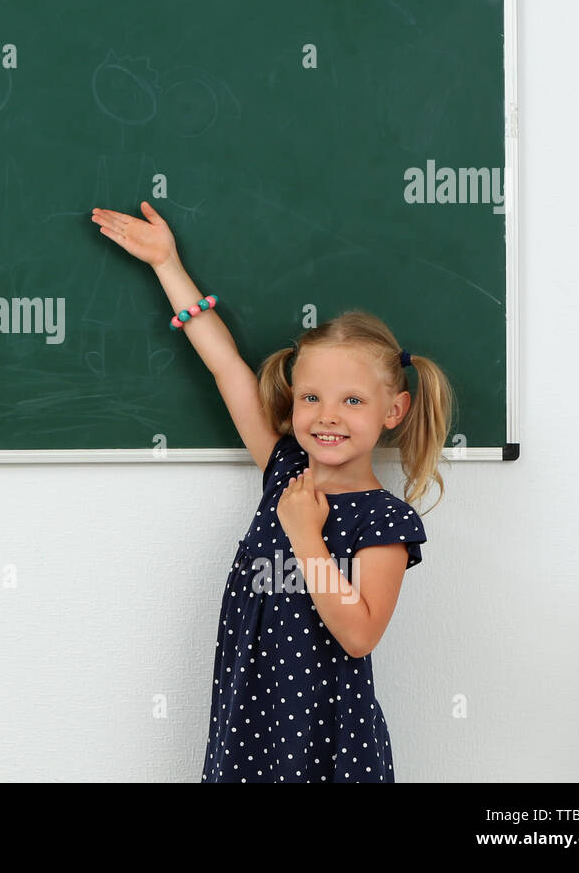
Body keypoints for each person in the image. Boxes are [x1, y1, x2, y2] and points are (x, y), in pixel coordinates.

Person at [90, 201, 457, 782]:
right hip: (248, 734)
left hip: (328, 748)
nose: (327, 415)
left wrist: (307, 537)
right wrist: (166, 264)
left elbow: (359, 635)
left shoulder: (384, 521)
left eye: (352, 400)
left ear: (394, 410)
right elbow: (225, 367)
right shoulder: (284, 468)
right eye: (311, 397)